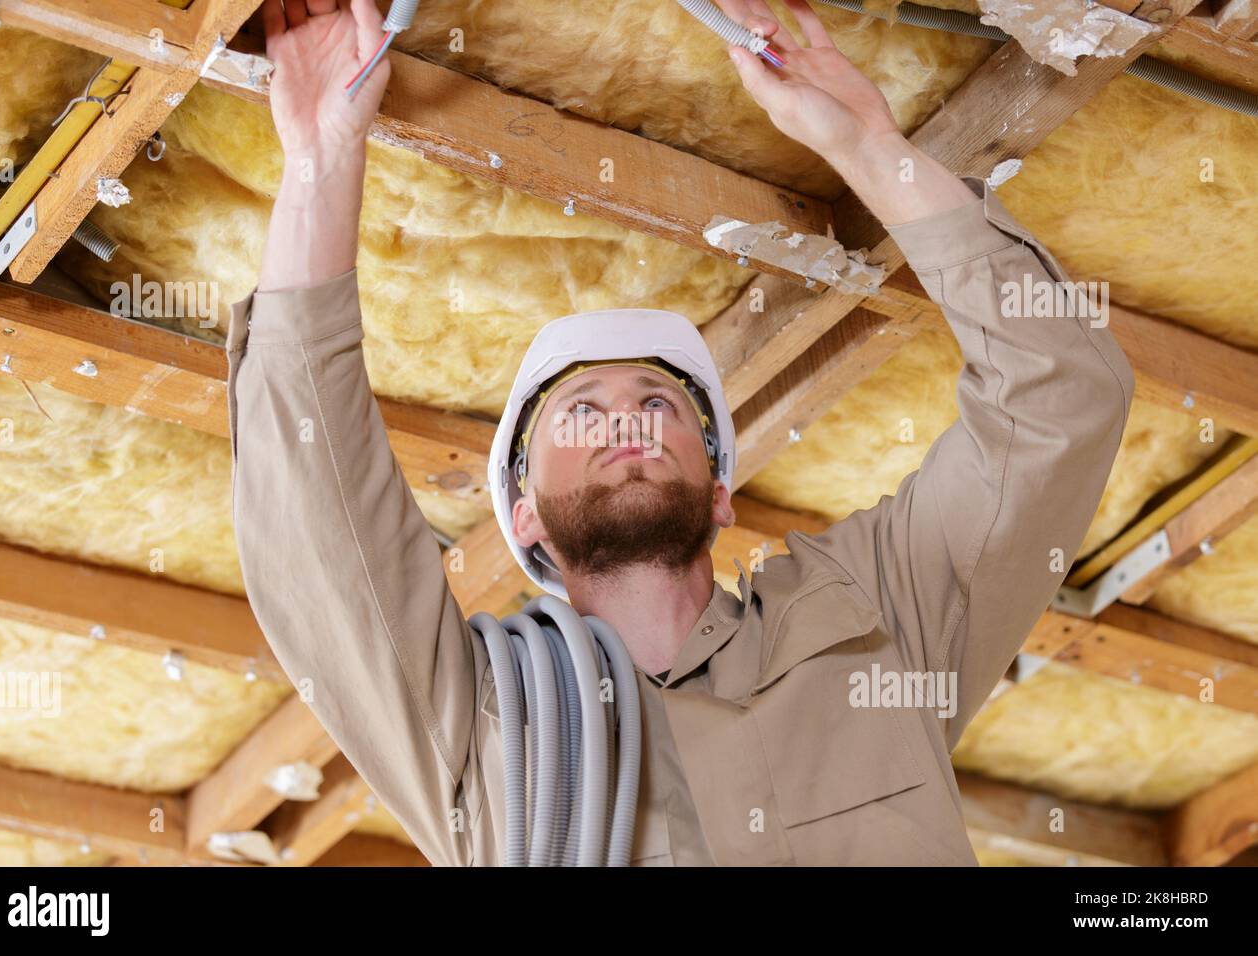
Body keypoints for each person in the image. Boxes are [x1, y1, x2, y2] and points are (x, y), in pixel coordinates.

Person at [227, 0, 1133, 865]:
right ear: (526, 514)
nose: (625, 418)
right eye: (581, 414)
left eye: (658, 405)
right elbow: (316, 524)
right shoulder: (473, 717)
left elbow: (1058, 400)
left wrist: (869, 145)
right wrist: (319, 161)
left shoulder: (881, 623)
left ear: (722, 489)